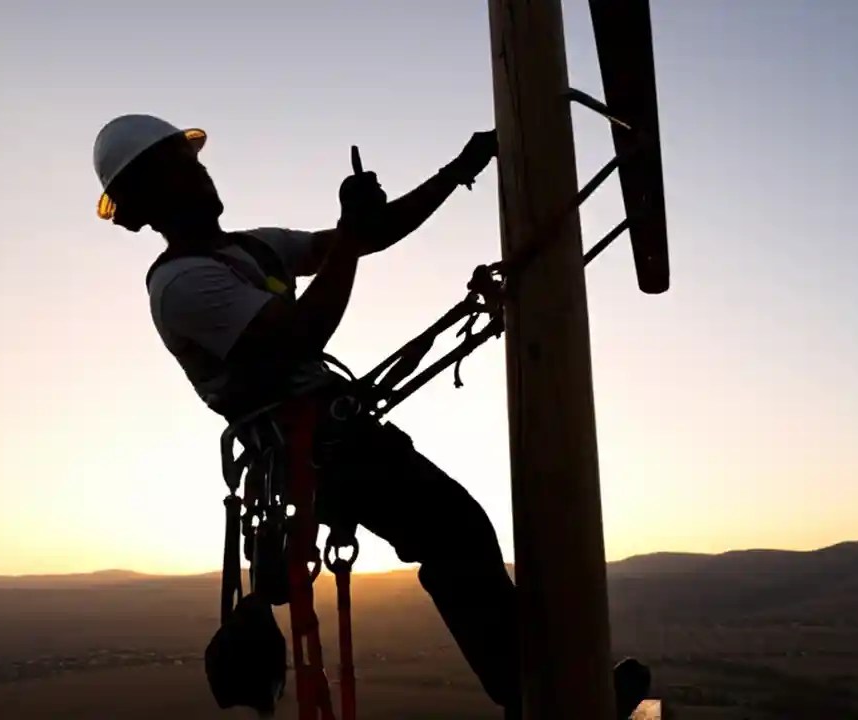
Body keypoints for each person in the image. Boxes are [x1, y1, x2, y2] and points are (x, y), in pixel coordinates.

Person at [91, 114, 649, 719]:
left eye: (194, 161)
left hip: (335, 439)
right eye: (182, 168)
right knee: (455, 532)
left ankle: (546, 690)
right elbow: (303, 332)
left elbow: (361, 239)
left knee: (458, 532)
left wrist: (455, 172)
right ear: (144, 203)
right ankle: (546, 697)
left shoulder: (251, 247)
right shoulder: (182, 285)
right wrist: (355, 231)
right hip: (317, 453)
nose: (201, 174)